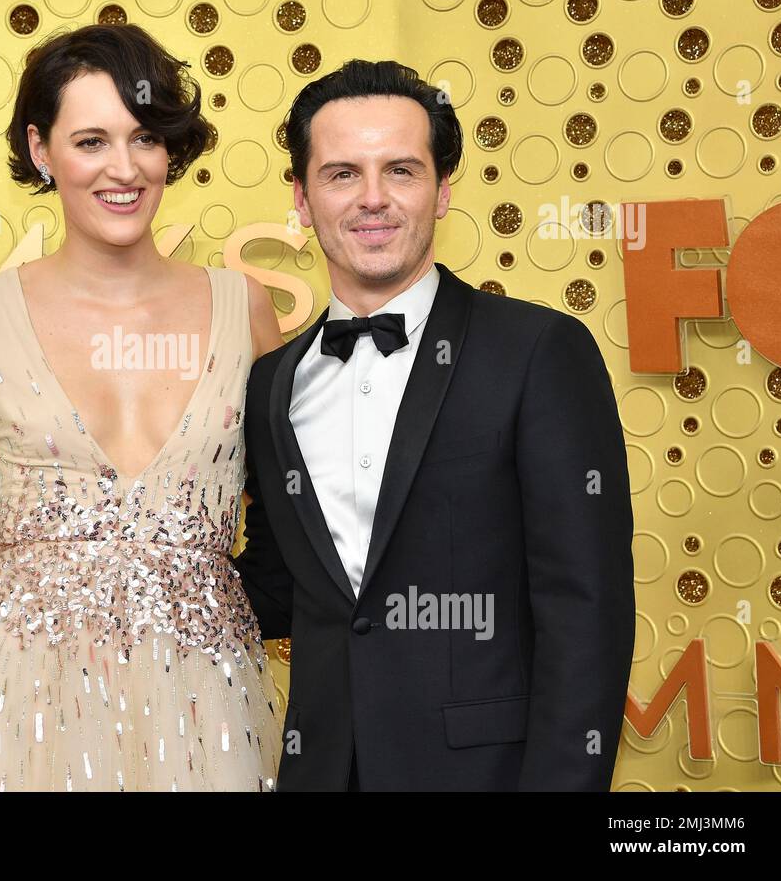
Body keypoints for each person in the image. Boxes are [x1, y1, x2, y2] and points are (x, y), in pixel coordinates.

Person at [236, 59, 635, 791]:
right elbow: (278, 587)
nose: (374, 199)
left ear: (443, 189)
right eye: (342, 174)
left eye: (402, 170)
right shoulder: (271, 385)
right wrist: (117, 577)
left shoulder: (539, 352)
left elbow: (588, 611)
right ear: (300, 195)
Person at [0, 24, 284, 791]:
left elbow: (290, 524)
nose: (123, 169)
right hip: (10, 700)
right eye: (91, 141)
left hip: (208, 698)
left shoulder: (243, 308)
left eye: (145, 138)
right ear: (40, 150)